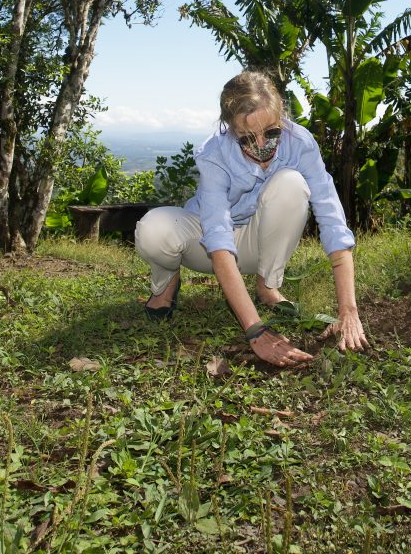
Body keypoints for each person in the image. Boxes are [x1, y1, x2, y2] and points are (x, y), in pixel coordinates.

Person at [135, 70, 368, 366]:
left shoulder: (300, 143)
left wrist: (349, 309)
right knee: (153, 229)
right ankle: (166, 283)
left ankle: (267, 284)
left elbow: (333, 221)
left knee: (292, 183)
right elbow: (218, 240)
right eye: (247, 137)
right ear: (230, 129)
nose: (262, 145)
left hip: (258, 242)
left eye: (271, 132)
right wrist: (256, 330)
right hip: (205, 245)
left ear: (281, 116)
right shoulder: (214, 153)